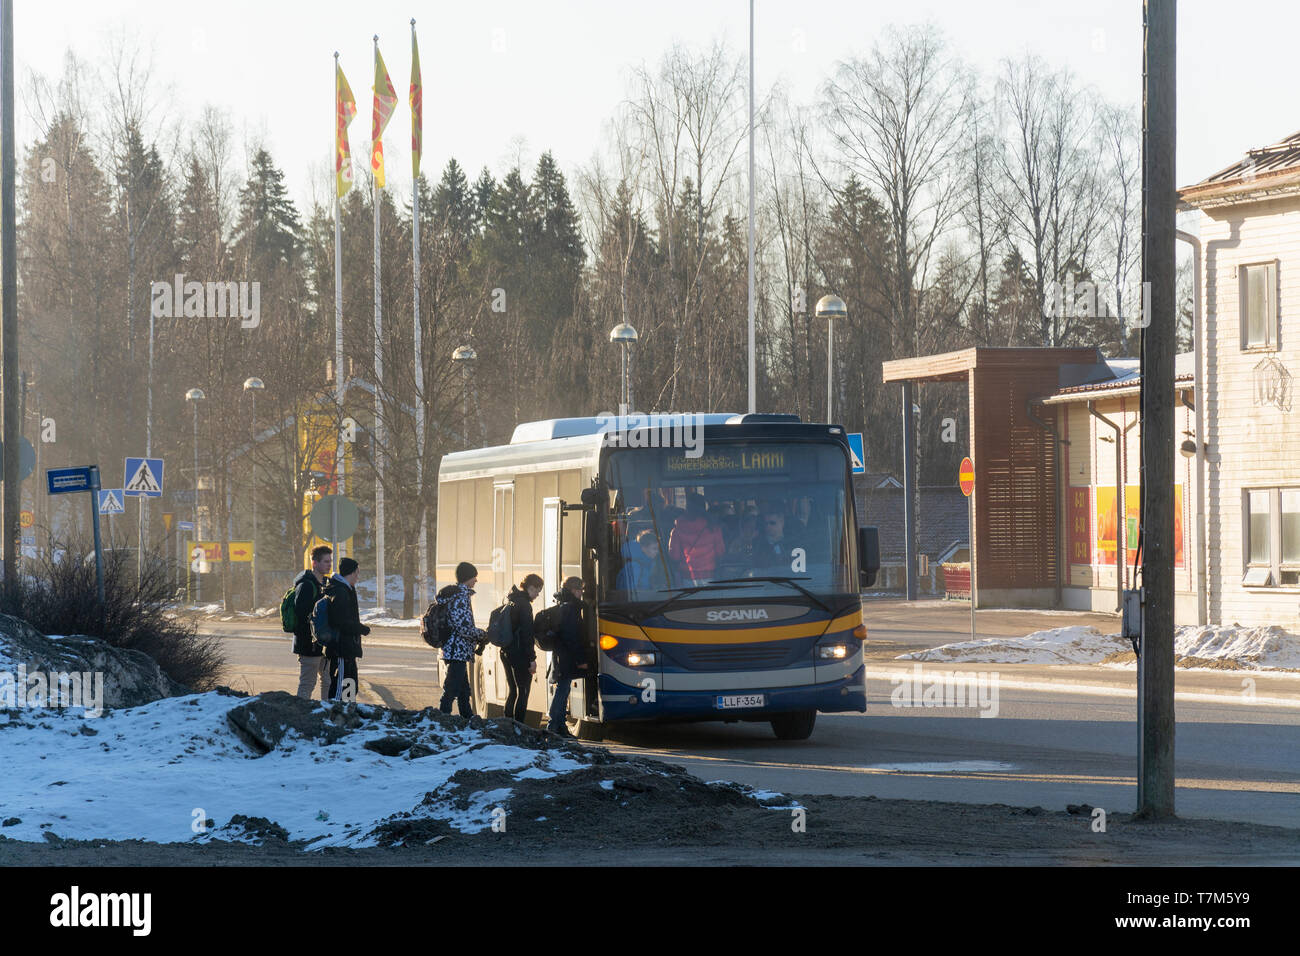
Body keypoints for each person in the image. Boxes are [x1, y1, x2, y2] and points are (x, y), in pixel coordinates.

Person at [438, 561, 484, 717]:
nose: (476, 580)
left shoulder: (457, 595)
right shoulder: (461, 597)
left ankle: (467, 717)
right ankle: (442, 716)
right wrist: (481, 634)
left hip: (456, 648)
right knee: (451, 687)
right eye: (474, 577)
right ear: (467, 578)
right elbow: (462, 626)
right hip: (457, 648)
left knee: (464, 688)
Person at [323, 556, 370, 701]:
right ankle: (336, 716)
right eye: (357, 573)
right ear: (350, 573)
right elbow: (340, 621)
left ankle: (347, 714)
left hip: (347, 648)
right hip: (341, 648)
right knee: (341, 686)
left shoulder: (345, 589)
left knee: (350, 685)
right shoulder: (341, 592)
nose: (357, 577)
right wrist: (360, 628)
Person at [547, 576, 588, 738]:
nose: (581, 593)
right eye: (579, 590)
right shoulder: (570, 608)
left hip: (561, 654)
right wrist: (581, 660)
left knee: (563, 689)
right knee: (563, 690)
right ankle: (553, 725)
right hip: (566, 656)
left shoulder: (563, 604)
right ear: (572, 590)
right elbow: (572, 637)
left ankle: (560, 725)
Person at [292, 545, 333, 699]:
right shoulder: (305, 585)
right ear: (314, 563)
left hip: (325, 643)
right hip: (308, 645)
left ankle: (327, 713)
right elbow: (301, 616)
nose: (329, 564)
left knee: (328, 681)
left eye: (330, 561)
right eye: (325, 561)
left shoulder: (327, 584)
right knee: (308, 683)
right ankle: (301, 716)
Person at [502, 573, 543, 723]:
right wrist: (532, 659)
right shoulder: (525, 605)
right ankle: (518, 725)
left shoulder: (511, 600)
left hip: (506, 651)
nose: (538, 594)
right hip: (519, 654)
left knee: (513, 691)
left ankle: (507, 723)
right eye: (537, 590)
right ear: (530, 587)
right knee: (523, 691)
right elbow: (527, 635)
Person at [668, 493, 725, 583]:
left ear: (687, 507)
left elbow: (674, 556)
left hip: (687, 576)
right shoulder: (713, 527)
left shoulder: (677, 529)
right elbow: (720, 553)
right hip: (709, 575)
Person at [752, 509, 796, 574]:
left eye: (772, 523)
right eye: (766, 523)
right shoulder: (758, 545)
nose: (768, 526)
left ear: (782, 522)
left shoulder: (793, 542)